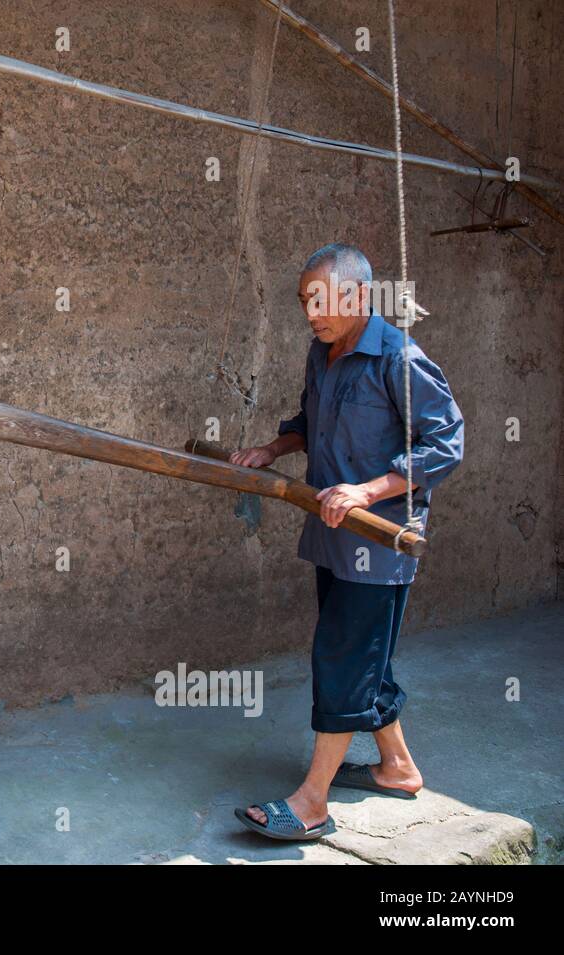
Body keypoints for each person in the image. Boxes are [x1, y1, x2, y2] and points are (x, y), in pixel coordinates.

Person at [228, 243, 463, 841]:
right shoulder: (323, 352)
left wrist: (369, 489)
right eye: (305, 301)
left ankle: (311, 803)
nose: (311, 312)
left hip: (379, 543)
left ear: (359, 297)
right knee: (365, 655)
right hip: (333, 534)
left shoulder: (399, 358)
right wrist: (272, 450)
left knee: (340, 655)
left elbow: (446, 443)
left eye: (322, 300)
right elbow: (310, 420)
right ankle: (398, 767)